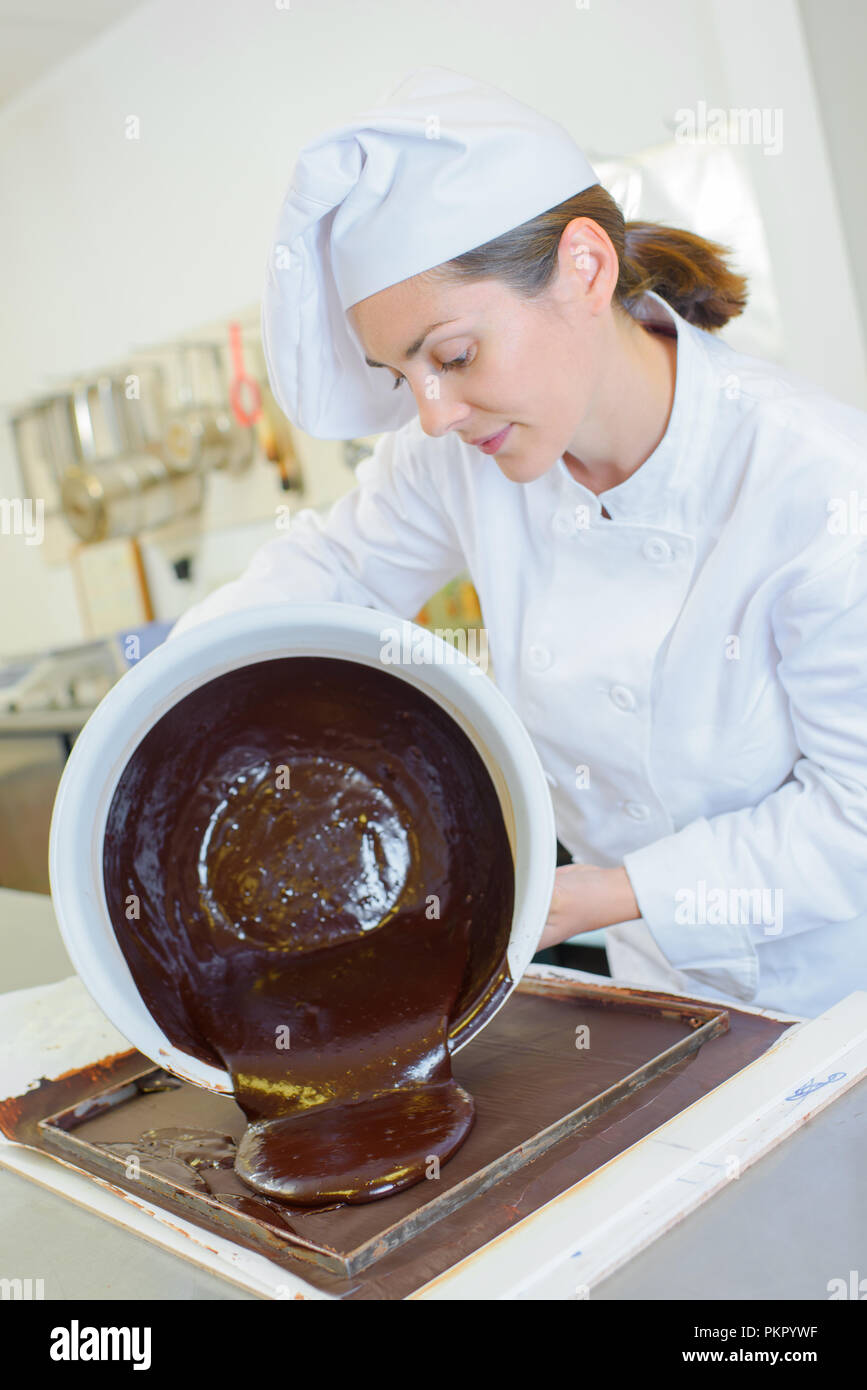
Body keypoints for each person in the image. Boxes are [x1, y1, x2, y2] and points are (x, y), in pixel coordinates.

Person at [169, 66, 867, 1019]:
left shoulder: (817, 483)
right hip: (663, 996)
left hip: (840, 1003)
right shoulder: (456, 457)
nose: (433, 411)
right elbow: (330, 574)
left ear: (584, 267)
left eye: (452, 356)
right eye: (400, 373)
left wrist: (598, 895)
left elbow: (857, 822)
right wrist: (157, 712)